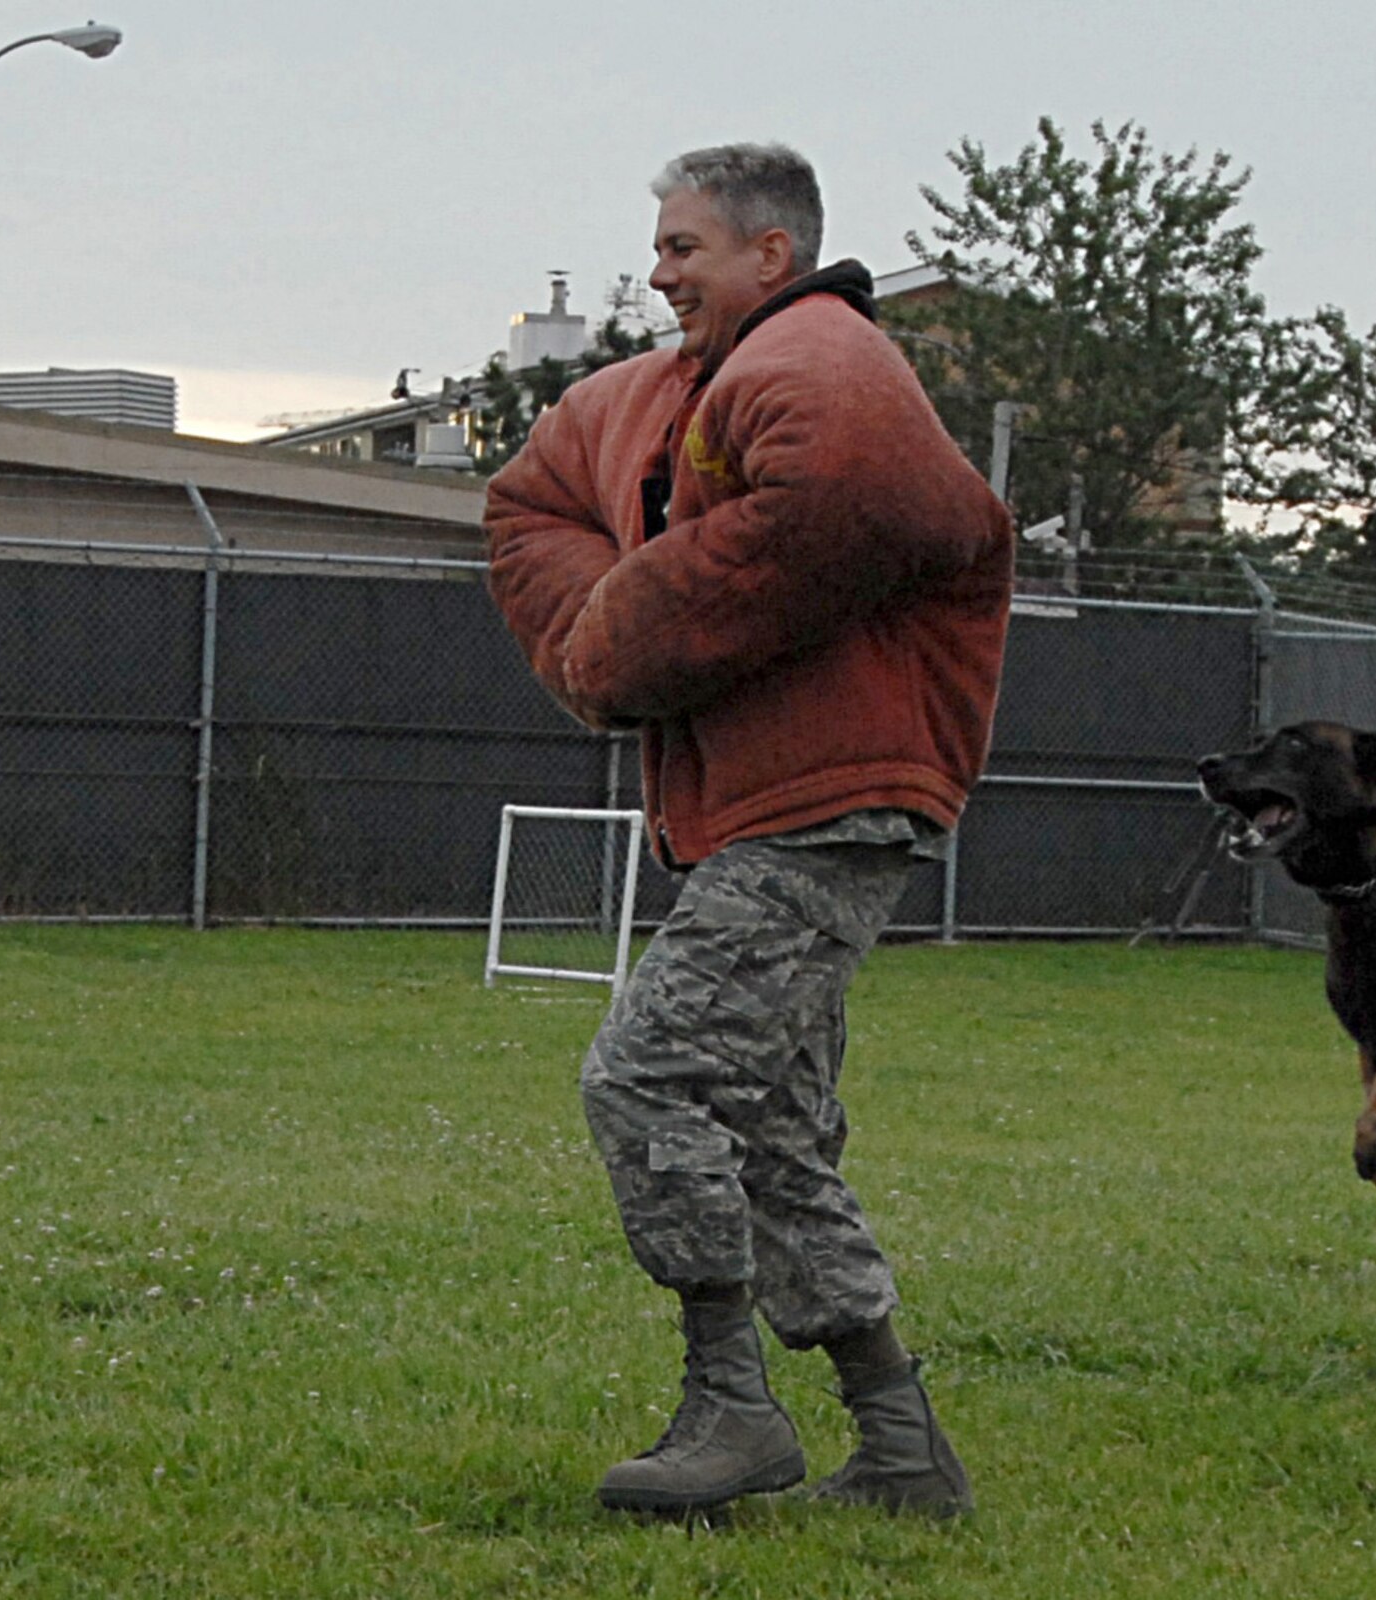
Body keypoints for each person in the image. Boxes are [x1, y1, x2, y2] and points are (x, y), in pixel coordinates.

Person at [482, 142, 1013, 1519]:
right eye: (657, 251)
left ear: (770, 257)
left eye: (684, 251)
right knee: (774, 1131)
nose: (659, 275)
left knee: (647, 1080)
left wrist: (629, 635)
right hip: (755, 811)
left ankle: (730, 1405)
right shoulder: (663, 394)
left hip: (821, 807)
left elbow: (853, 492)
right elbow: (531, 498)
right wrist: (605, 626)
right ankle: (903, 1452)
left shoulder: (820, 359)